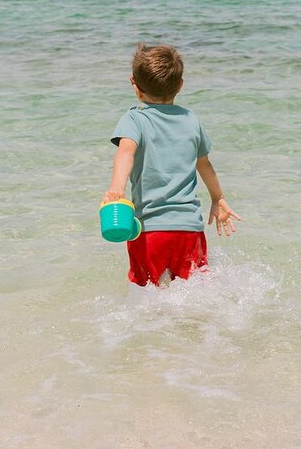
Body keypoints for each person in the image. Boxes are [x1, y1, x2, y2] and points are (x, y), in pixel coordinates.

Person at [102, 43, 241, 287]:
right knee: (192, 293)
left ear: (134, 85)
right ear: (181, 85)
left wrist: (117, 188)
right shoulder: (190, 120)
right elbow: (205, 164)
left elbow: (126, 152)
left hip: (149, 231)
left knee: (148, 297)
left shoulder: (134, 118)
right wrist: (218, 198)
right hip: (189, 230)